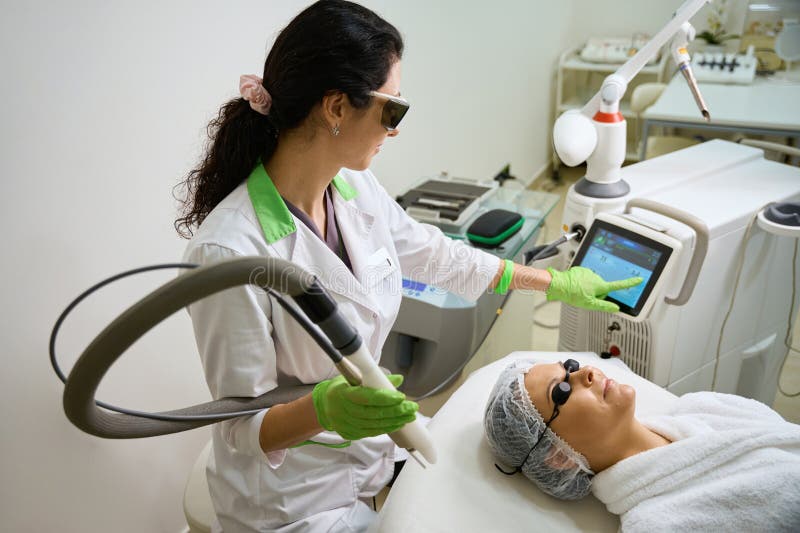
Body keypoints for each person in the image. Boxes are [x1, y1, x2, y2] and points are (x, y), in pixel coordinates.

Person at [174, 2, 641, 531]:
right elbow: (240, 428)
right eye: (391, 109)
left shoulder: (352, 188)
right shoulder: (230, 253)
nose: (394, 129)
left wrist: (552, 281)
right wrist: (322, 411)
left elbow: (435, 254)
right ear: (335, 107)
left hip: (367, 448)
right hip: (290, 496)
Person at [484, 358, 800, 532]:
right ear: (558, 456)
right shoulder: (657, 524)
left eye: (570, 366)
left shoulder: (706, 406)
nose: (588, 373)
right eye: (562, 391)